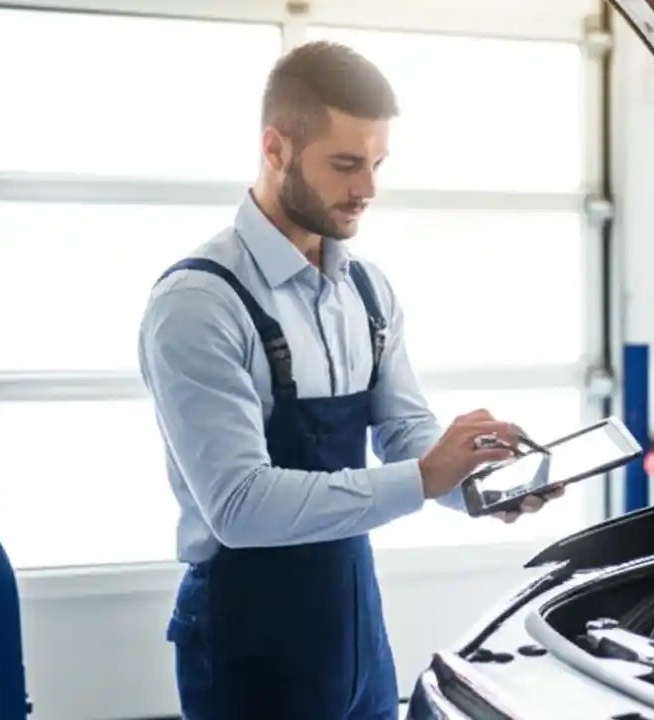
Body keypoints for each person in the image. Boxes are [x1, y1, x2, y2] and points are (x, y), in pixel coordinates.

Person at [137, 40, 561, 720]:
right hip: (247, 636)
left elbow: (404, 435)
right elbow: (241, 506)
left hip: (355, 622)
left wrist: (478, 486)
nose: (367, 188)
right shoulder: (198, 304)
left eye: (376, 163)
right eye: (344, 164)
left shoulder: (366, 290)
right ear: (274, 149)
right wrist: (425, 479)